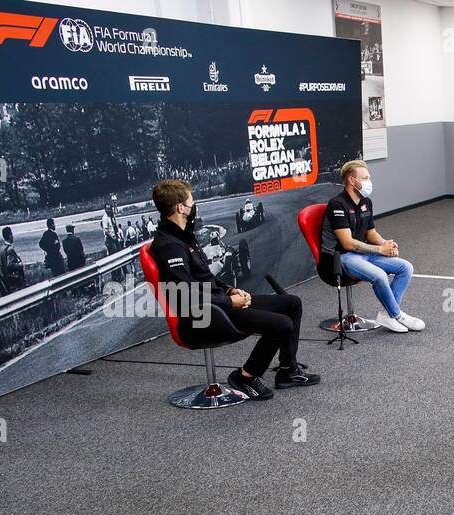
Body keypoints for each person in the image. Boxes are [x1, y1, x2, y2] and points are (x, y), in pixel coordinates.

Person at [149, 179, 319, 399]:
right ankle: (246, 376)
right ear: (180, 208)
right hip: (203, 315)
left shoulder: (184, 237)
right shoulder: (170, 246)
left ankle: (288, 370)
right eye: (191, 202)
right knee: (282, 324)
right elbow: (186, 296)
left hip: (219, 302)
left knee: (292, 304)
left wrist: (230, 290)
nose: (194, 206)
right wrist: (229, 302)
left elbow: (206, 276)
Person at [321, 159, 422, 333]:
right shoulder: (337, 204)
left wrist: (385, 244)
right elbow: (347, 243)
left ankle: (386, 315)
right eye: (365, 178)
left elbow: (371, 233)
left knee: (406, 267)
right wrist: (379, 250)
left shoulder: (366, 202)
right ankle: (397, 315)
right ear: (352, 180)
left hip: (363, 253)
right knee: (379, 275)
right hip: (341, 256)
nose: (369, 182)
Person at [0, 227, 25, 292]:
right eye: (12, 234)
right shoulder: (10, 249)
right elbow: (10, 265)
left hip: (6, 277)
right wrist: (19, 265)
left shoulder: (2, 248)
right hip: (13, 278)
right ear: (10, 236)